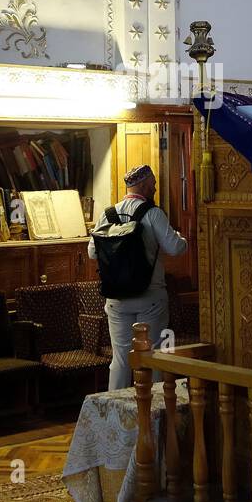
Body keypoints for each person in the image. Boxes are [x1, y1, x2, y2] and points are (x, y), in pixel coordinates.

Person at [88, 164, 187, 390]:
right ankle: (154, 413)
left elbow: (92, 252)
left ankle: (117, 414)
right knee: (152, 355)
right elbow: (176, 248)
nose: (154, 188)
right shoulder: (152, 213)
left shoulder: (108, 214)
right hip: (150, 296)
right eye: (152, 184)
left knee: (121, 358)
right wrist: (181, 237)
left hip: (116, 298)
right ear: (142, 185)